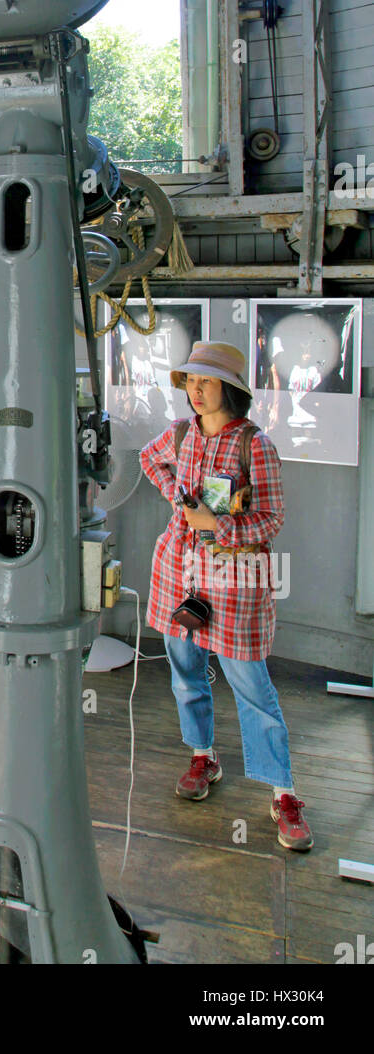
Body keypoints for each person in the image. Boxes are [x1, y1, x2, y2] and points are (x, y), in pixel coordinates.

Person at [139, 341, 313, 852]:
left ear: (230, 390)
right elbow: (151, 461)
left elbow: (273, 519)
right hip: (180, 573)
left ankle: (283, 793)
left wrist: (218, 524)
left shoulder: (254, 445)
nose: (194, 390)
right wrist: (180, 500)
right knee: (186, 672)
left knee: (252, 687)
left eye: (206, 381)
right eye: (190, 380)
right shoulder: (179, 434)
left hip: (234, 580)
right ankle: (202, 755)